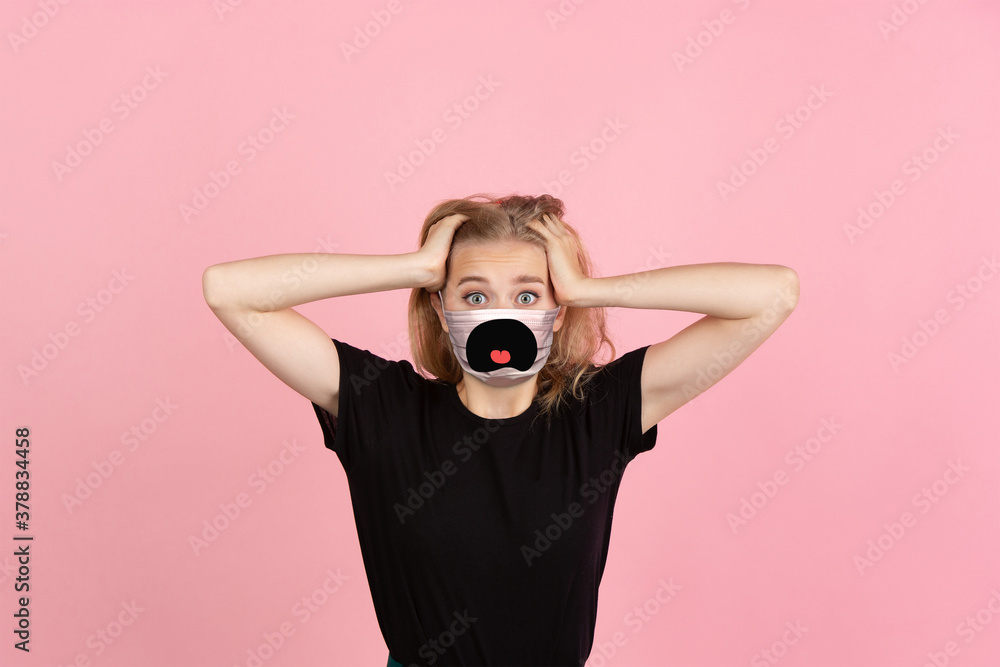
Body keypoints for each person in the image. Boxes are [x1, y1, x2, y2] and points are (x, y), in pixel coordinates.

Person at [202, 193, 799, 666]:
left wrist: (590, 289)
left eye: (527, 294)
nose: (501, 316)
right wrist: (412, 268)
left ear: (555, 307)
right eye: (475, 294)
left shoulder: (598, 411)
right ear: (440, 307)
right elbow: (230, 291)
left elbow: (772, 294)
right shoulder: (383, 408)